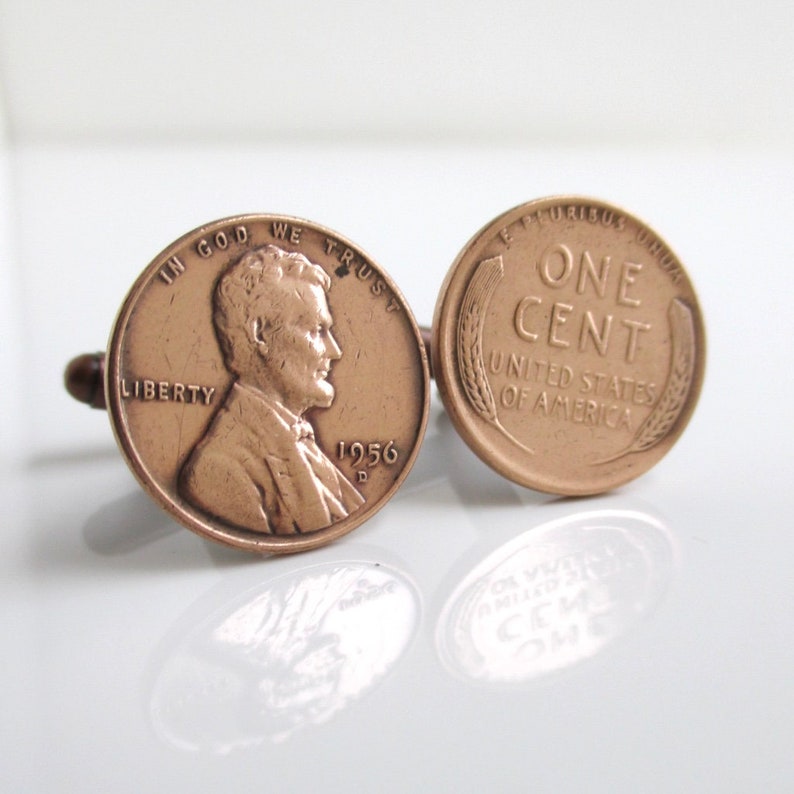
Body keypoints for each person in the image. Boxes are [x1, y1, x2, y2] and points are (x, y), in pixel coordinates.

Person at [179, 244, 364, 535]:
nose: (335, 350)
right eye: (316, 331)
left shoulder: (301, 443)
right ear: (260, 334)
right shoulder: (219, 469)